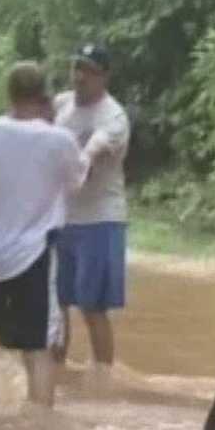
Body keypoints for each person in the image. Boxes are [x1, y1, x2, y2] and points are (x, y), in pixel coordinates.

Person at [0, 61, 89, 408]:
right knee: (37, 347)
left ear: (9, 94)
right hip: (34, 256)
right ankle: (39, 421)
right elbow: (76, 184)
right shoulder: (60, 140)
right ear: (44, 96)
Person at [52, 43, 131, 380]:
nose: (79, 76)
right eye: (76, 68)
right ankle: (53, 371)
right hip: (61, 219)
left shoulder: (113, 117)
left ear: (104, 77)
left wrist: (75, 168)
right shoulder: (60, 104)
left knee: (92, 308)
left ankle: (103, 379)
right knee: (56, 303)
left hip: (100, 220)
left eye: (88, 71)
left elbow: (92, 151)